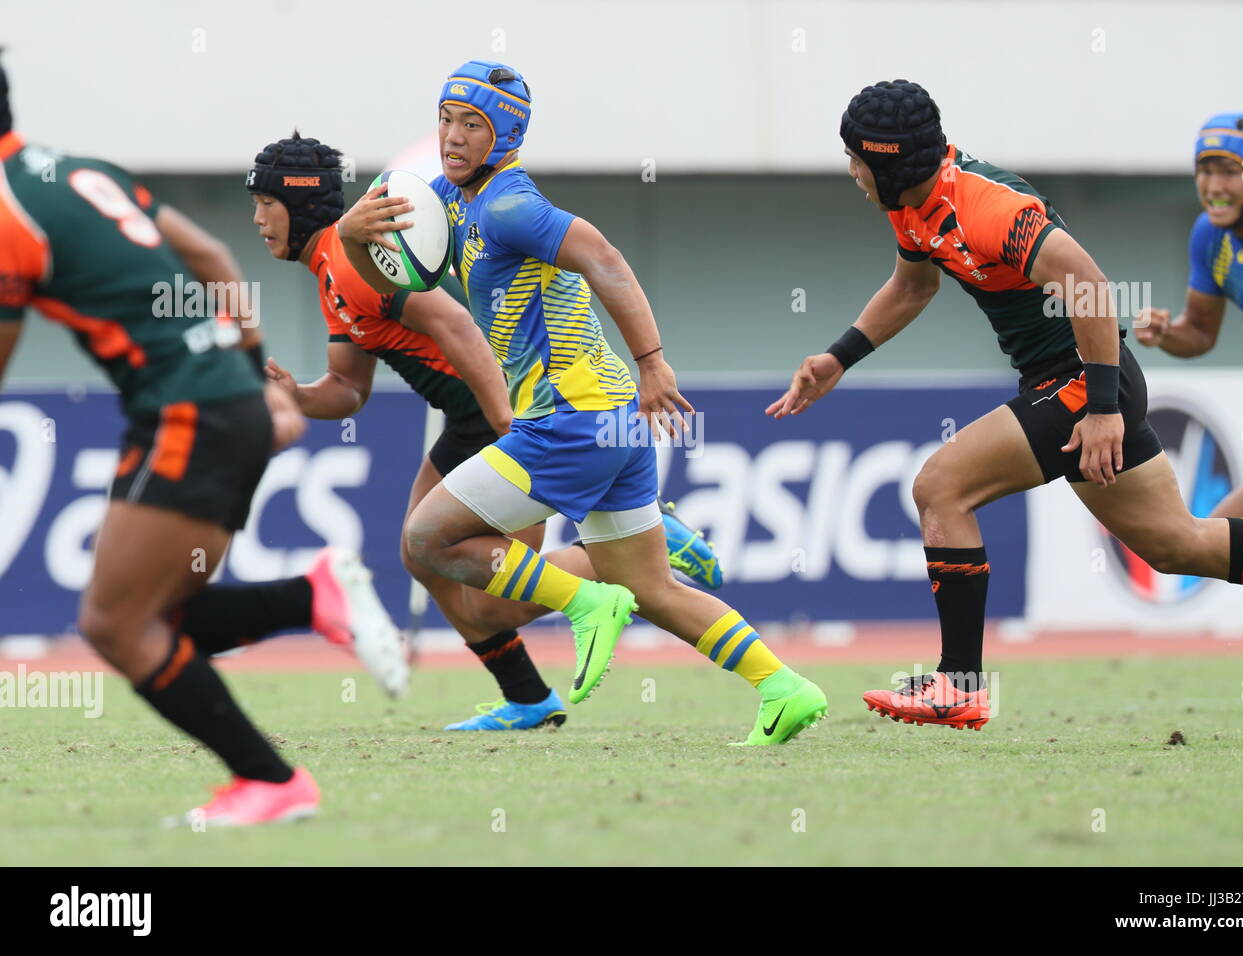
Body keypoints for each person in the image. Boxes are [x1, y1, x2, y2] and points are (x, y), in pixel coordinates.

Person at [767, 79, 1243, 730]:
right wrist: (839, 358)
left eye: (857, 160)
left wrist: (1102, 409)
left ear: (888, 163)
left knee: (941, 487)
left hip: (1085, 380)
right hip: (1075, 382)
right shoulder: (912, 201)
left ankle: (959, 684)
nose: (852, 172)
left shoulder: (986, 206)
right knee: (1176, 546)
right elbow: (913, 285)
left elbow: (1093, 288)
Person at [339, 60, 826, 744]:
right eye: (446, 118)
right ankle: (783, 687)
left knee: (426, 538)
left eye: (472, 124)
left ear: (505, 136)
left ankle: (584, 599)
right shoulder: (454, 202)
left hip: (570, 423)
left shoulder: (509, 204)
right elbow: (400, 283)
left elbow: (605, 259)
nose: (452, 136)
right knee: (655, 590)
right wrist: (354, 239)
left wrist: (653, 361)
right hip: (608, 421)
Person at [0, 61, 406, 825]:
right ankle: (309, 596)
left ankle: (271, 780)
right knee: (155, 616)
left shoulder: (4, 215)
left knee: (115, 625)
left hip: (190, 414)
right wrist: (256, 382)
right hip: (210, 405)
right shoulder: (80, 172)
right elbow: (215, 262)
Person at [250, 132, 724, 730]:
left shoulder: (351, 264)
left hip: (498, 416)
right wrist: (294, 394)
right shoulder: (333, 270)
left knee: (497, 601)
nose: (258, 219)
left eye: (266, 202)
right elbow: (348, 390)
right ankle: (528, 696)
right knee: (424, 556)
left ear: (301, 204)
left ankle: (626, 555)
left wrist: (508, 421)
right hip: (467, 420)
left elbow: (455, 323)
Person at [1135, 114, 1243, 533]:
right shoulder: (1210, 237)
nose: (1213, 187)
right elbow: (1201, 333)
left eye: (1229, 171)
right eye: (1205, 170)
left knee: (1218, 536)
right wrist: (1167, 333)